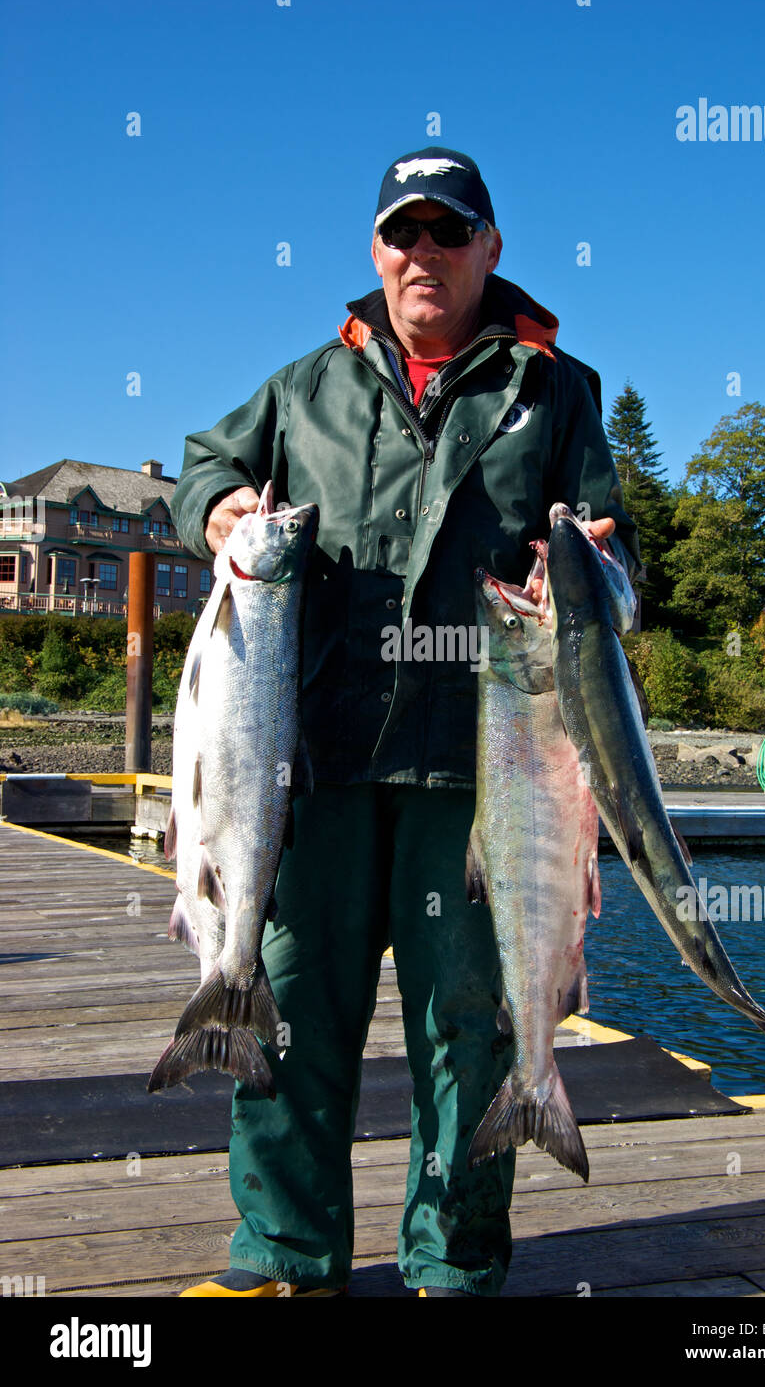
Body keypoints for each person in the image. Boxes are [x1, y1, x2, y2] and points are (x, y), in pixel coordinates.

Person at [170, 147, 640, 1298]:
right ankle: (284, 1256)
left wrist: (597, 567)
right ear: (376, 251)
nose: (423, 253)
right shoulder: (303, 388)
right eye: (402, 232)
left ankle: (455, 1264)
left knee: (468, 1026)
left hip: (483, 772)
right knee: (288, 1010)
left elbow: (618, 570)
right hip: (307, 765)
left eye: (448, 231)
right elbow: (202, 471)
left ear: (490, 246)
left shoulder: (556, 393)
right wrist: (219, 507)